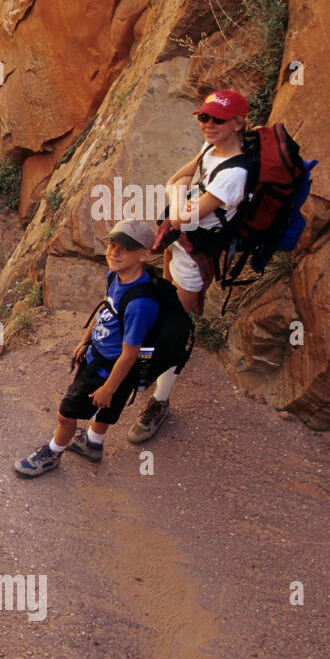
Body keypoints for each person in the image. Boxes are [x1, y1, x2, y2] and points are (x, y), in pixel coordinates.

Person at [127, 88, 249, 445]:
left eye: (218, 120)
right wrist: (177, 193)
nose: (208, 125)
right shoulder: (210, 149)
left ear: (238, 123)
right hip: (178, 244)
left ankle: (159, 401)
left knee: (172, 329)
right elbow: (173, 183)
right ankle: (154, 361)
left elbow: (181, 206)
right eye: (204, 117)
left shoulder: (234, 175)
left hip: (195, 257)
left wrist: (178, 194)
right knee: (167, 310)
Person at [15, 219, 160, 477]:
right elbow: (107, 307)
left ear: (144, 254)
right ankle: (93, 444)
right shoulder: (116, 275)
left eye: (124, 248)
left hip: (110, 369)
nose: (114, 252)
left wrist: (108, 387)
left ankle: (53, 452)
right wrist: (86, 339)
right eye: (112, 245)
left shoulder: (141, 304)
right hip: (100, 356)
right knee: (104, 409)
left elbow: (130, 354)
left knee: (65, 413)